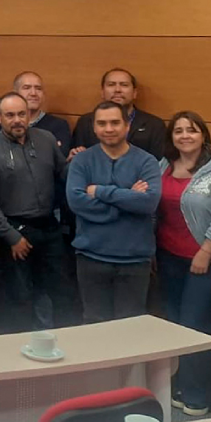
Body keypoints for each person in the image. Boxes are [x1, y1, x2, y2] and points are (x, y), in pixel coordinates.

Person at [0, 93, 73, 331]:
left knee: (60, 291)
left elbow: (63, 174)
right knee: (20, 297)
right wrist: (11, 236)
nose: (17, 120)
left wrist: (82, 163)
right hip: (15, 232)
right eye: (10, 115)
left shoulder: (47, 139)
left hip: (50, 228)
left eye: (22, 114)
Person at [155, 111, 211, 417]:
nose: (185, 136)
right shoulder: (163, 166)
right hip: (167, 257)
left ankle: (199, 393)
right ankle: (183, 384)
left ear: (203, 136)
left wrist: (207, 251)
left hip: (204, 261)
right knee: (174, 323)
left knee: (197, 325)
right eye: (179, 131)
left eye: (192, 130)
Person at [66, 101, 162, 324]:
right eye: (102, 123)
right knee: (94, 323)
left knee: (129, 326)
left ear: (127, 126)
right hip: (91, 257)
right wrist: (127, 199)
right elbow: (76, 201)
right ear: (94, 128)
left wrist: (99, 191)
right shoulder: (81, 161)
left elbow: (148, 203)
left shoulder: (147, 162)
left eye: (115, 123)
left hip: (135, 260)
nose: (109, 128)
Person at [71, 69, 166, 159]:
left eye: (124, 85)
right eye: (111, 84)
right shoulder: (85, 122)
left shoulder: (154, 125)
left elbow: (159, 164)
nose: (117, 90)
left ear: (134, 93)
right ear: (102, 92)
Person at [0, 72, 72, 151]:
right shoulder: (0, 124)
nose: (33, 93)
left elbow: (59, 158)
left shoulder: (58, 125)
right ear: (15, 93)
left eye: (38, 88)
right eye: (26, 88)